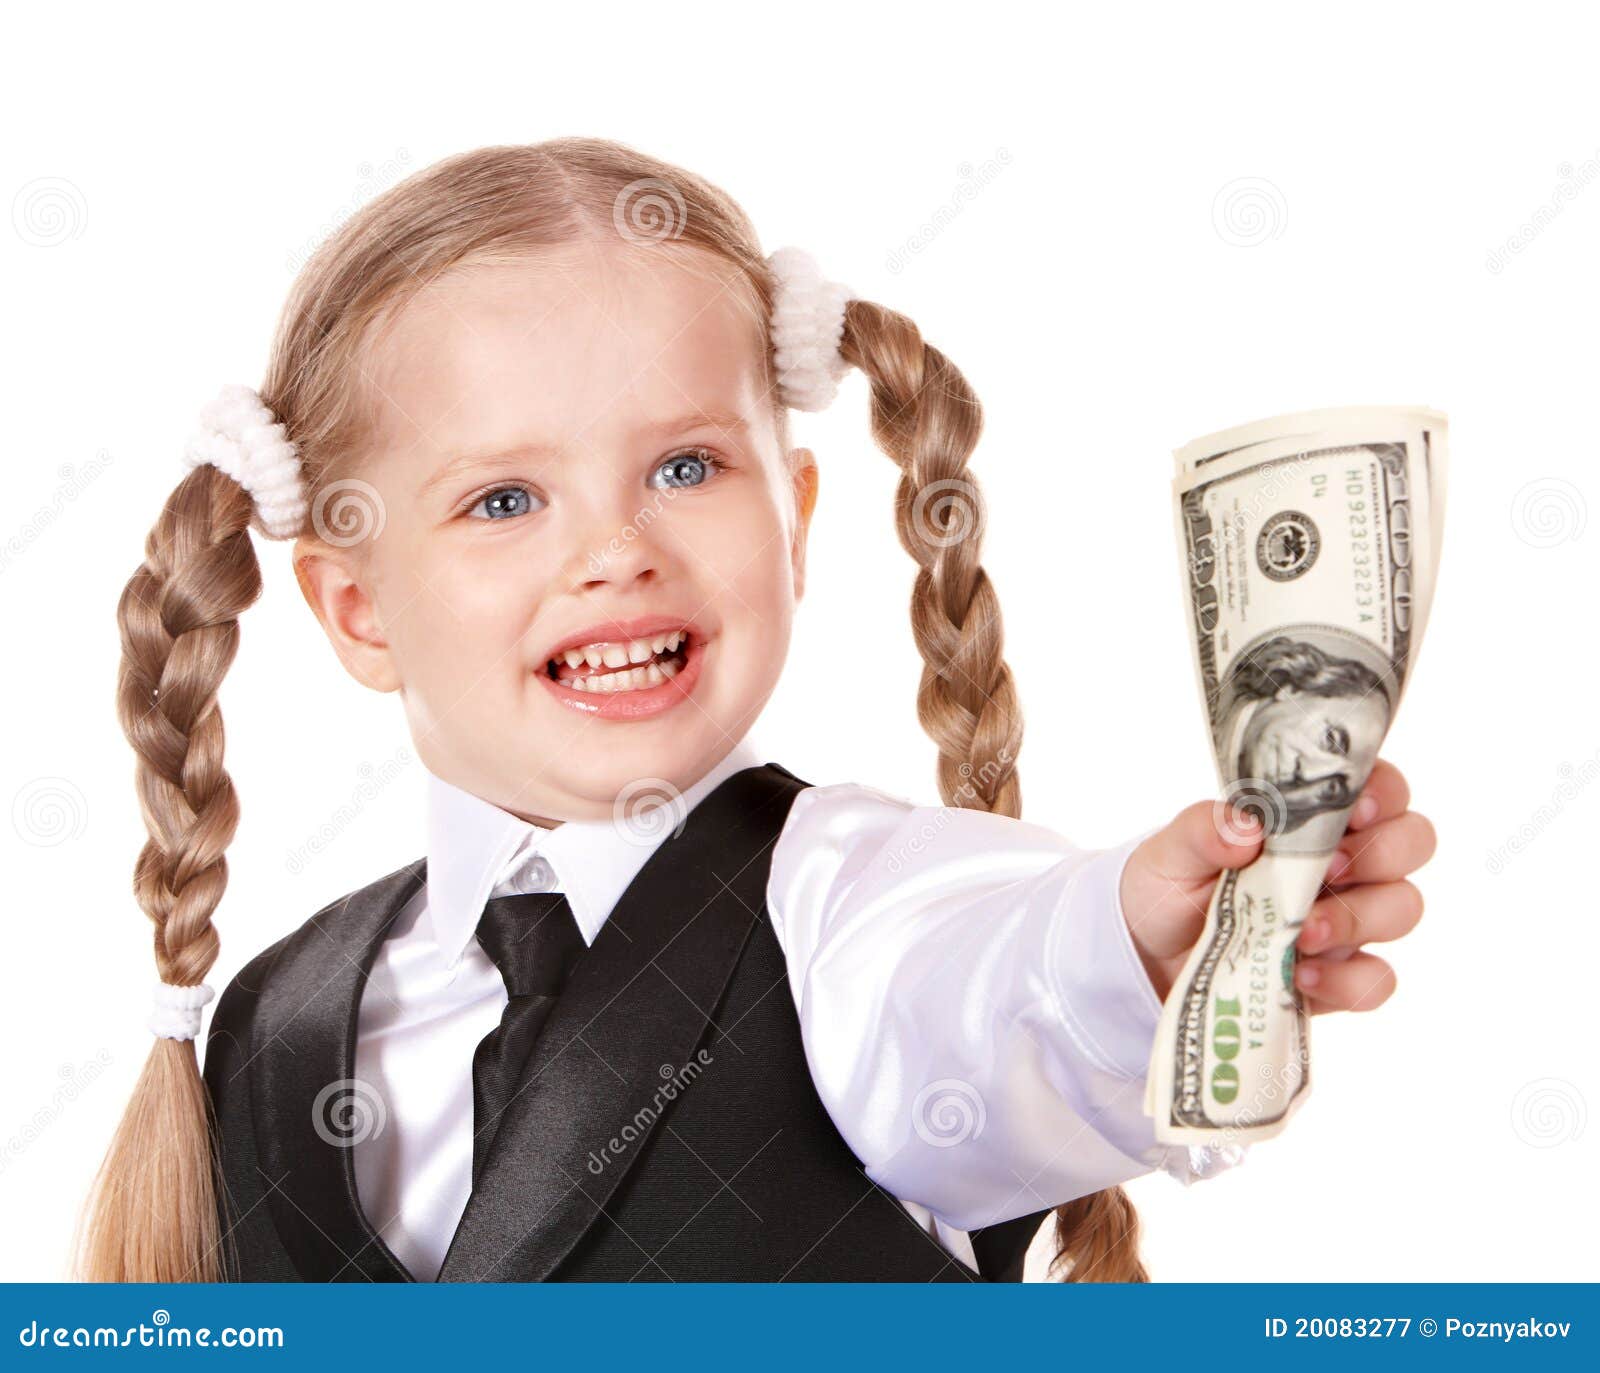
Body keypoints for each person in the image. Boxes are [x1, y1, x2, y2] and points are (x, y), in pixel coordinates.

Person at [76, 138, 1435, 1284]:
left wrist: (1143, 942)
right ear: (359, 608)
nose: (615, 548)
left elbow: (993, 989)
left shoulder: (852, 905)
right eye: (505, 499)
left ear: (791, 520)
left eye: (685, 464)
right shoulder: (271, 1019)